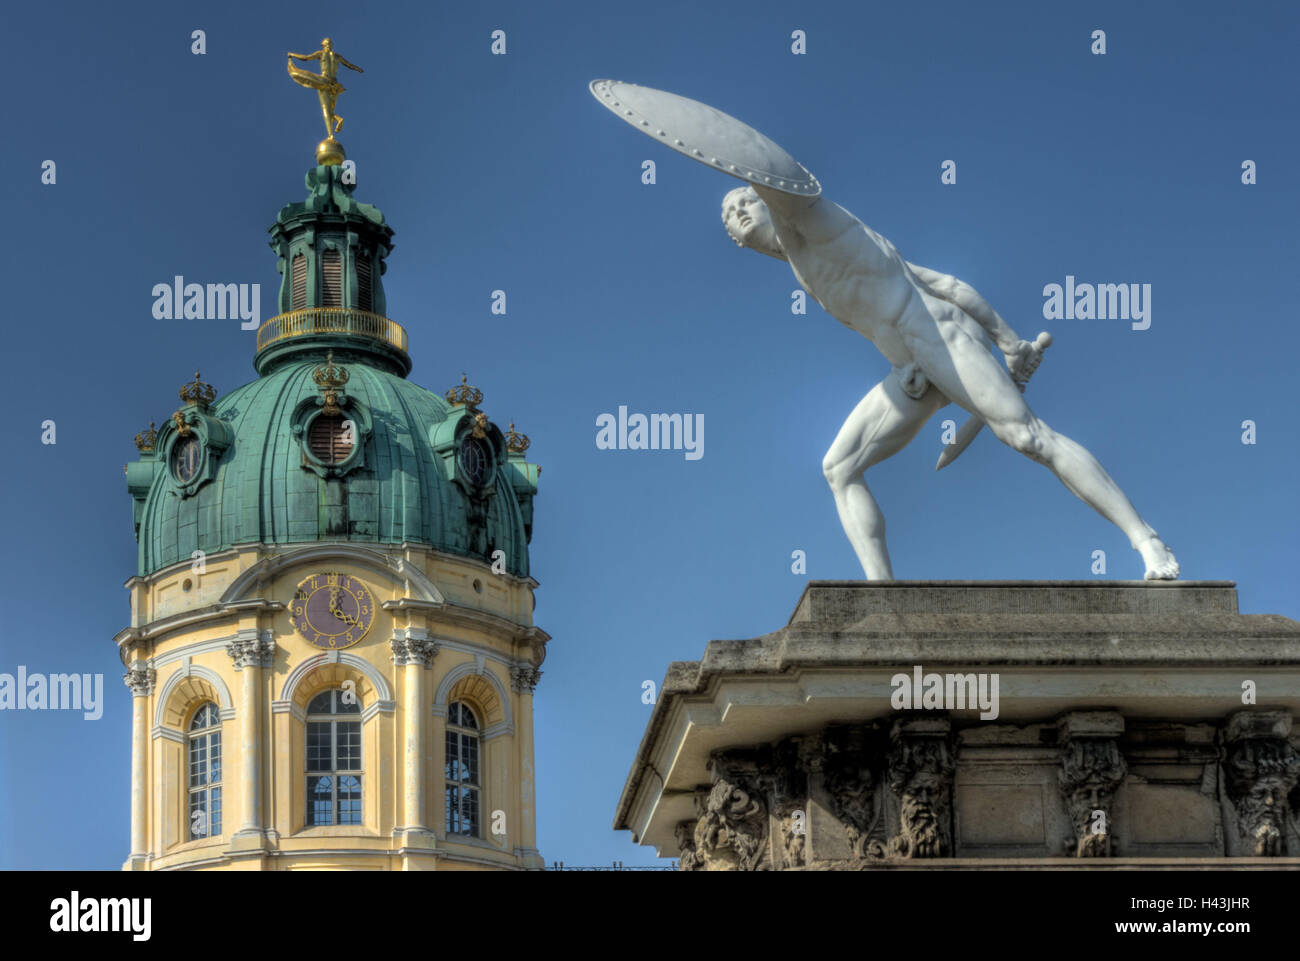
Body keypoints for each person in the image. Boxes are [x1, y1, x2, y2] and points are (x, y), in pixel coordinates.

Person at [721, 184, 1178, 580]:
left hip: (937, 334)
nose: (738, 211)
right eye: (728, 214)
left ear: (767, 198)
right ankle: (883, 600)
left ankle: (1146, 539)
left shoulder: (820, 221)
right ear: (736, 241)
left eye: (745, 199)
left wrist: (1008, 340)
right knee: (839, 468)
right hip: (911, 370)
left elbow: (948, 291)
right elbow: (939, 279)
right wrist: (1010, 342)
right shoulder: (804, 268)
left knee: (1028, 437)